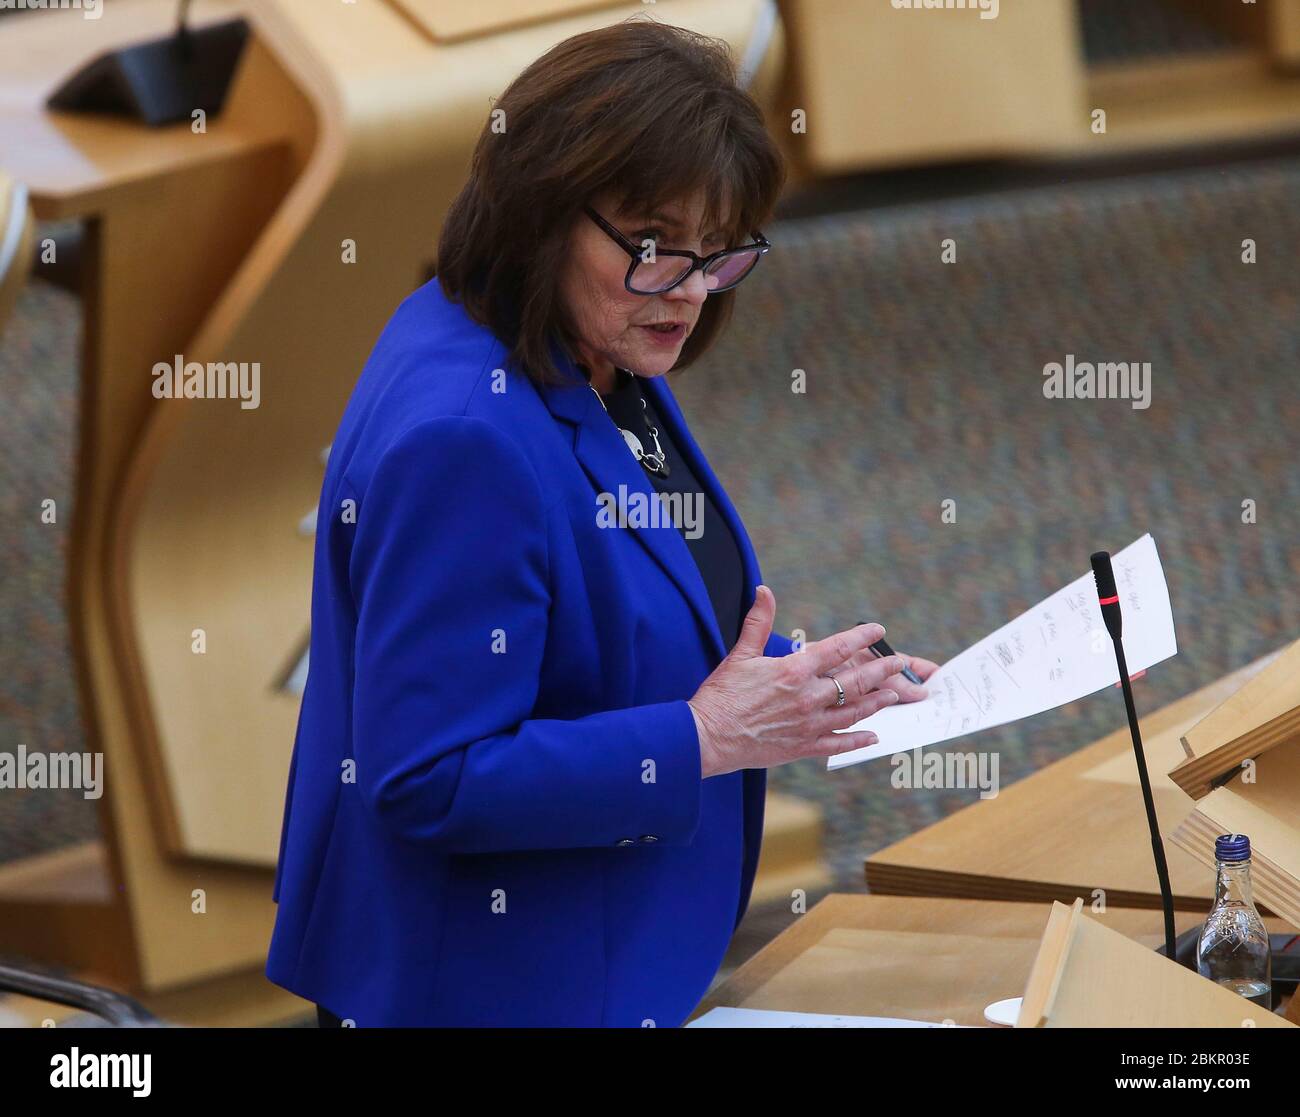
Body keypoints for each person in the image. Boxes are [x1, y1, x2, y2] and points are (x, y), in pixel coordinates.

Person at [267, 18, 937, 1028]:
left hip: (596, 959)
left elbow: (610, 607)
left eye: (718, 252)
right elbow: (427, 776)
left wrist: (812, 682)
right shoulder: (467, 439)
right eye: (658, 245)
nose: (693, 292)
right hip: (484, 991)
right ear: (542, 210)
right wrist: (703, 737)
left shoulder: (581, 338)